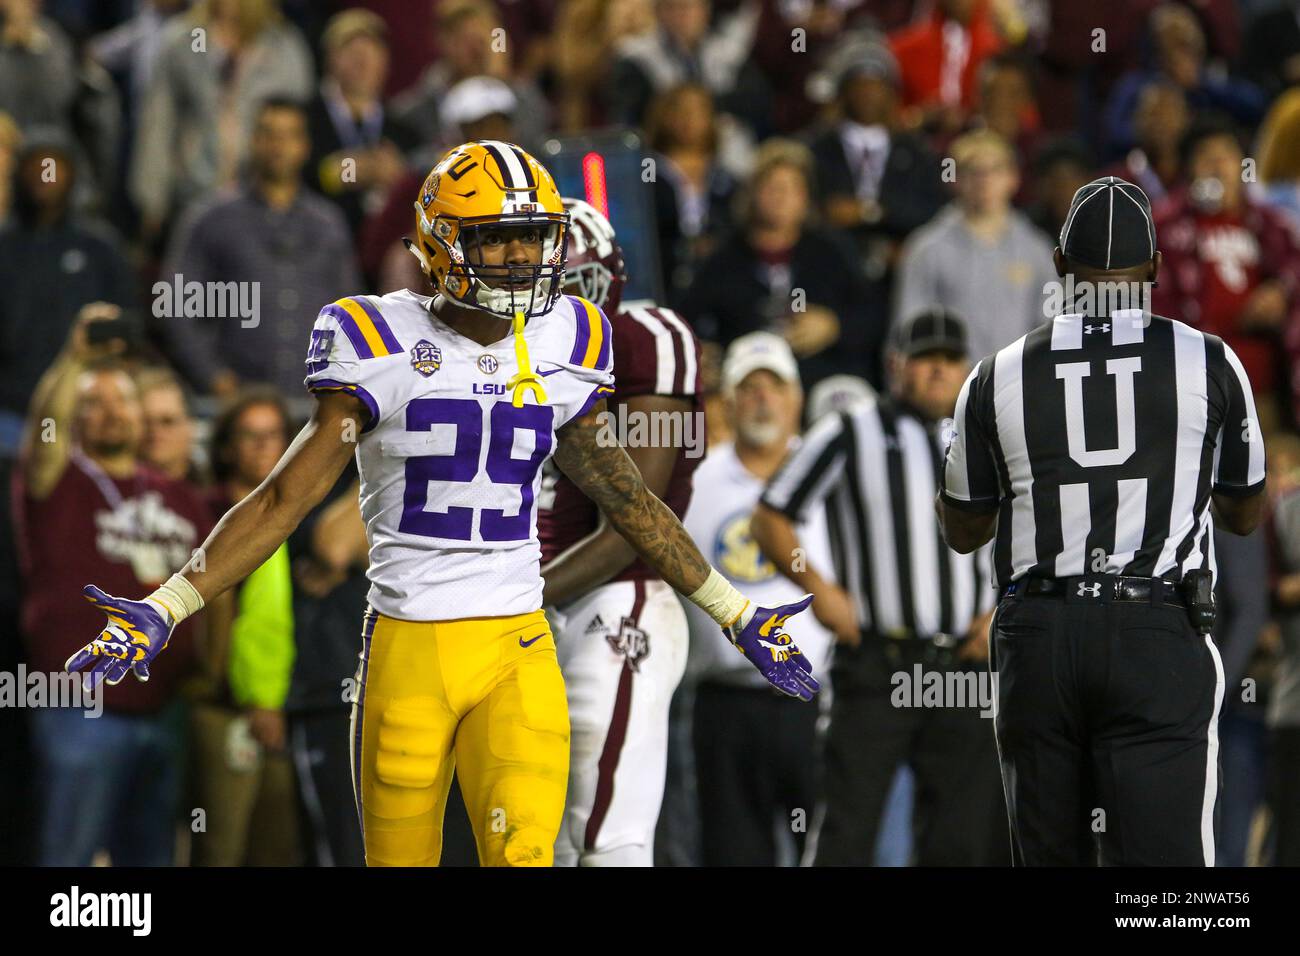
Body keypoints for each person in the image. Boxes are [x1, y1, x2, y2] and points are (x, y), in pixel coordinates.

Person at [67, 140, 820, 868]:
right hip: (408, 649)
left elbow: (630, 500)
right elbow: (283, 499)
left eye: (534, 238)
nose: (524, 259)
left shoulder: (569, 335)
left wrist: (734, 611)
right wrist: (168, 605)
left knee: (526, 854)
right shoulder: (376, 335)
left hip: (517, 646)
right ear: (436, 244)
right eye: (500, 240)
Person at [937, 176, 1267, 866]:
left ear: (1060, 265)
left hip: (1041, 634)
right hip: (1155, 625)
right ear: (1151, 269)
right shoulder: (1208, 359)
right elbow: (1244, 512)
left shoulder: (996, 373)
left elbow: (965, 527)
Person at [754, 309, 1006, 866]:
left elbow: (1031, 527)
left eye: (948, 360)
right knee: (847, 829)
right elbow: (772, 515)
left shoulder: (990, 438)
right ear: (896, 366)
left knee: (965, 840)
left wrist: (999, 612)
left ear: (966, 368)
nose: (937, 372)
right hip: (877, 663)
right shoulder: (850, 430)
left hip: (964, 665)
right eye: (924, 360)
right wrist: (818, 590)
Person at [18, 303, 213, 866]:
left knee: (151, 864)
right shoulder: (62, 478)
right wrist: (78, 356)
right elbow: (45, 426)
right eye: (93, 403)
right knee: (68, 862)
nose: (110, 412)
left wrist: (207, 669)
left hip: (164, 711)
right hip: (79, 711)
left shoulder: (180, 496)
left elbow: (212, 591)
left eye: (121, 399)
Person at [538, 198, 702, 866]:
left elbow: (631, 523)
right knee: (537, 842)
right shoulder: (488, 357)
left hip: (612, 601)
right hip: (529, 609)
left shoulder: (644, 340)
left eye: (575, 289)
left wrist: (513, 594)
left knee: (607, 838)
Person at [682, 332, 834, 866]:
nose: (762, 399)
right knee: (731, 854)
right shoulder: (693, 481)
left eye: (775, 387)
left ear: (797, 399)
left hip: (817, 705)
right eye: (748, 388)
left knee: (830, 850)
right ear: (726, 402)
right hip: (723, 703)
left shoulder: (831, 473)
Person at [158, 97, 359, 398]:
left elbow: (349, 312)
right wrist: (213, 377)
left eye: (289, 135)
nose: (279, 146)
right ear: (253, 140)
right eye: (269, 134)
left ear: (305, 146)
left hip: (312, 404)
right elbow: (176, 305)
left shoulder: (328, 223)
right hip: (233, 407)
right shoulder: (211, 219)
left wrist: (337, 383)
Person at [189, 389, 301, 866]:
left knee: (277, 845)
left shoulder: (297, 514)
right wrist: (257, 700)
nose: (262, 447)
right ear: (227, 446)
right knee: (220, 844)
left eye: (273, 435)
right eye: (249, 436)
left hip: (281, 704)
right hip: (219, 704)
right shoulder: (200, 511)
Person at [1152, 117, 1300, 433]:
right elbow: (1156, 317)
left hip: (1268, 398)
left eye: (1227, 155)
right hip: (1197, 401)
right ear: (1188, 170)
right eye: (1207, 157)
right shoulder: (1163, 230)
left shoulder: (1274, 227)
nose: (1219, 166)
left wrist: (1282, 292)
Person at [893, 129, 1057, 364]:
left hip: (1018, 387)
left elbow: (1050, 330)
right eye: (973, 171)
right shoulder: (926, 248)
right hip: (952, 392)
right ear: (955, 179)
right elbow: (908, 331)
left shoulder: (1037, 249)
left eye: (995, 170)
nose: (985, 181)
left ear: (1013, 178)